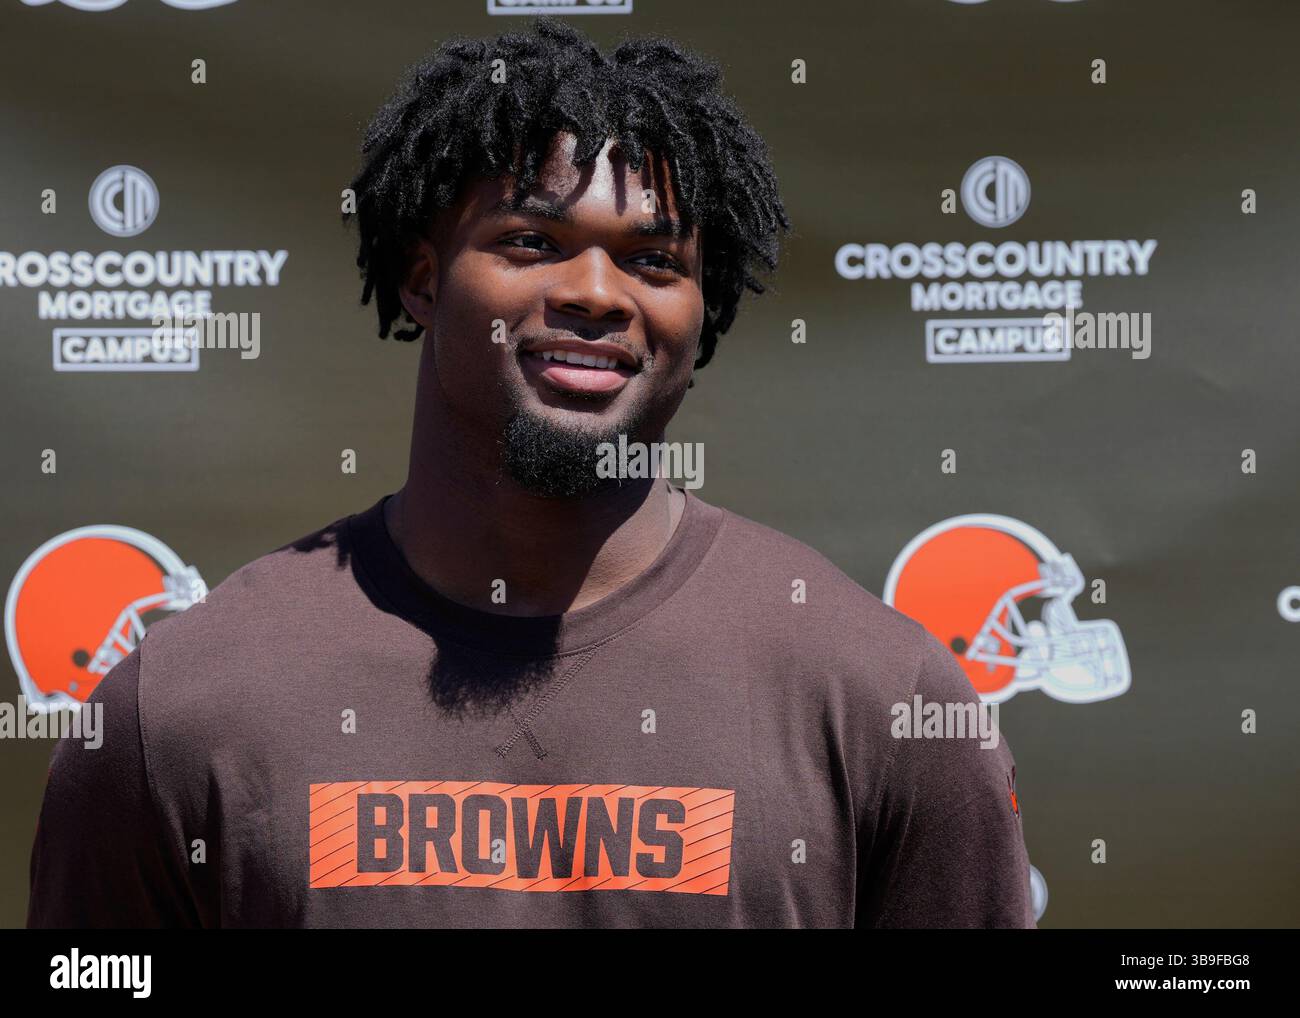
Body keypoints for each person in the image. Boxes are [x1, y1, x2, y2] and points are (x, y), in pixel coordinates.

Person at [27, 17, 1035, 929]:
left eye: (653, 262)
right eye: (531, 241)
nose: (595, 292)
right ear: (424, 278)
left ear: (703, 310)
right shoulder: (181, 708)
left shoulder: (881, 698)